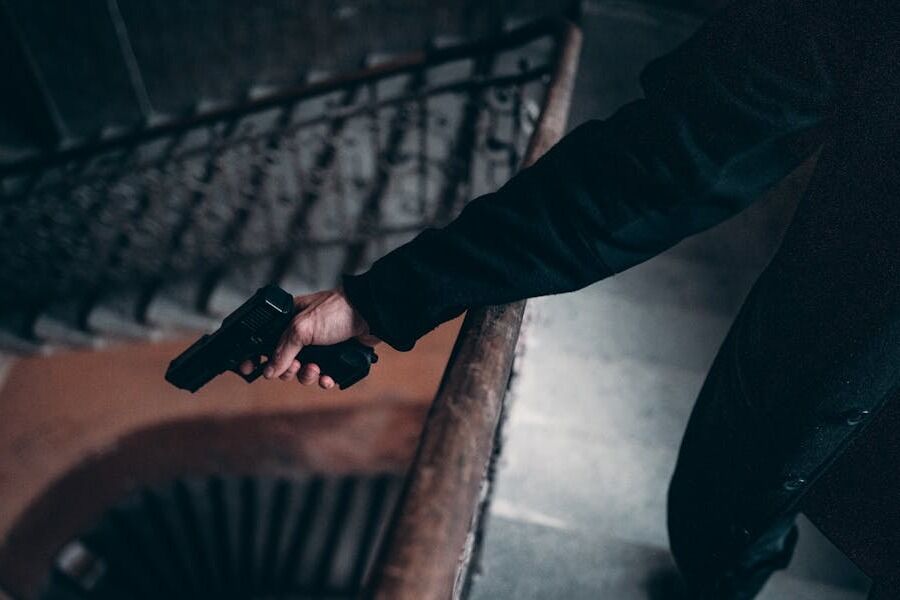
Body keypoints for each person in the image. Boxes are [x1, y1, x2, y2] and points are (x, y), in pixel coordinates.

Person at [244, 0, 899, 597]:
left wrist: (383, 299)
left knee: (728, 518)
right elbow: (667, 162)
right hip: (810, 393)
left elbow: (667, 167)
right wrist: (382, 300)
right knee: (726, 528)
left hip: (816, 397)